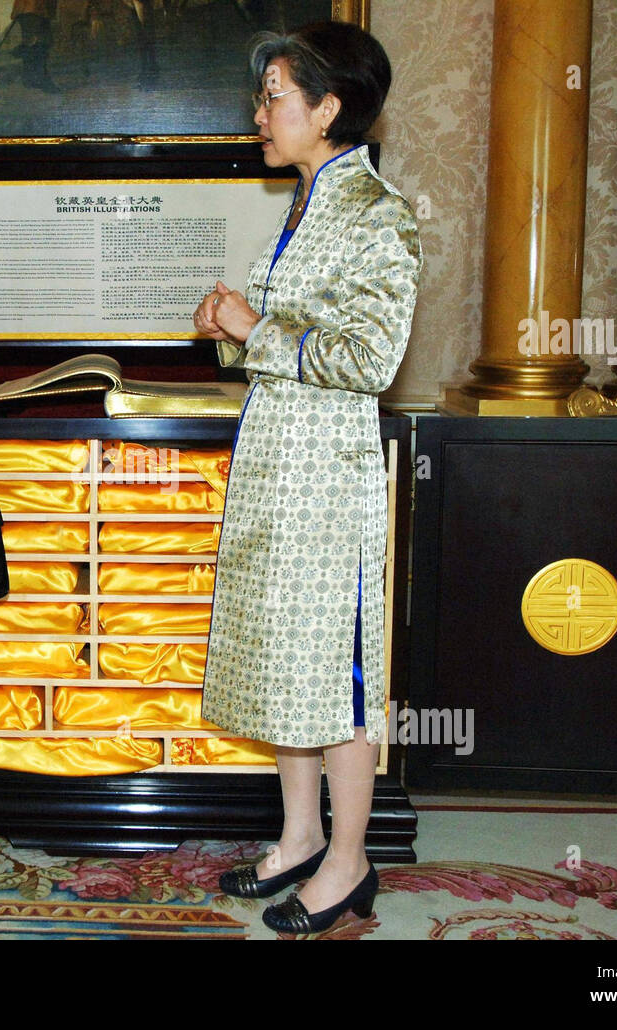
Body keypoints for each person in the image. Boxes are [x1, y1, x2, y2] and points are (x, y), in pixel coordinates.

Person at [193, 21, 421, 935]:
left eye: (274, 96)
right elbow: (290, 344)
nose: (260, 114)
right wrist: (233, 333)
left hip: (327, 480)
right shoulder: (306, 200)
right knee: (288, 665)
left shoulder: (378, 213)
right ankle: (297, 838)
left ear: (328, 109)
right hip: (276, 468)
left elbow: (371, 357)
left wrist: (256, 331)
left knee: (339, 674)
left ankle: (350, 862)